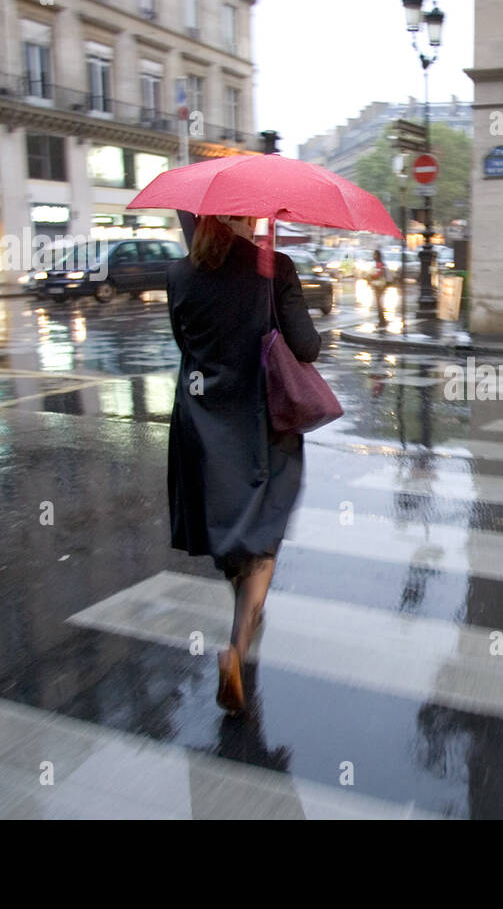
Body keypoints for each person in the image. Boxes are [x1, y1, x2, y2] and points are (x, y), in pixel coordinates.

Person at [166, 213, 321, 716]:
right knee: (261, 535)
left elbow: (185, 345)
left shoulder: (179, 274)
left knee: (226, 528)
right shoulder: (273, 267)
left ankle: (245, 606)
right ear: (239, 218)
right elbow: (306, 347)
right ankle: (236, 647)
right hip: (259, 425)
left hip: (200, 423)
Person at [371, 247, 388, 327]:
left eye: (374, 255)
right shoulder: (380, 263)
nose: (373, 256)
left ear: (377, 255)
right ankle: (381, 320)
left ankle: (382, 321)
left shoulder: (379, 264)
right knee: (379, 303)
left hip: (379, 286)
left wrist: (371, 275)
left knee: (379, 304)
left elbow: (378, 274)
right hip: (380, 285)